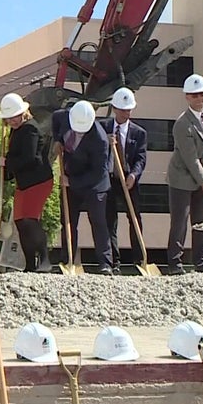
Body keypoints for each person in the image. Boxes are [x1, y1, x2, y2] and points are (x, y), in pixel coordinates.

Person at [167, 73, 203, 275]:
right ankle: (175, 263)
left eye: (202, 94)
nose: (199, 98)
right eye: (194, 95)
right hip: (181, 177)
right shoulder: (182, 124)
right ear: (187, 97)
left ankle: (201, 262)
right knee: (180, 221)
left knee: (201, 220)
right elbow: (190, 158)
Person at [55, 100, 114, 274]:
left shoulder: (100, 139)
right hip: (70, 175)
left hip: (94, 185)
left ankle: (105, 262)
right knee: (68, 221)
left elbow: (97, 173)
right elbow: (55, 121)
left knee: (98, 222)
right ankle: (68, 259)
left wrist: (71, 182)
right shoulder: (63, 117)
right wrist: (58, 140)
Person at [0, 93, 53, 272]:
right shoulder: (15, 131)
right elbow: (15, 157)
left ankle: (45, 259)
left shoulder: (30, 129)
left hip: (38, 181)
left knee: (30, 220)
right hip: (24, 183)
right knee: (21, 222)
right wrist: (6, 172)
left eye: (15, 116)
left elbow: (29, 158)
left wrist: (8, 163)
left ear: (23, 113)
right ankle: (30, 263)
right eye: (9, 118)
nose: (12, 120)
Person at [102, 87, 147, 271]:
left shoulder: (139, 133)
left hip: (129, 181)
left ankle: (139, 259)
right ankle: (114, 262)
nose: (126, 113)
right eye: (122, 109)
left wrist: (134, 175)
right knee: (109, 220)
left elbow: (141, 158)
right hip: (109, 179)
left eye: (129, 109)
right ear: (114, 108)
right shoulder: (103, 128)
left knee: (135, 218)